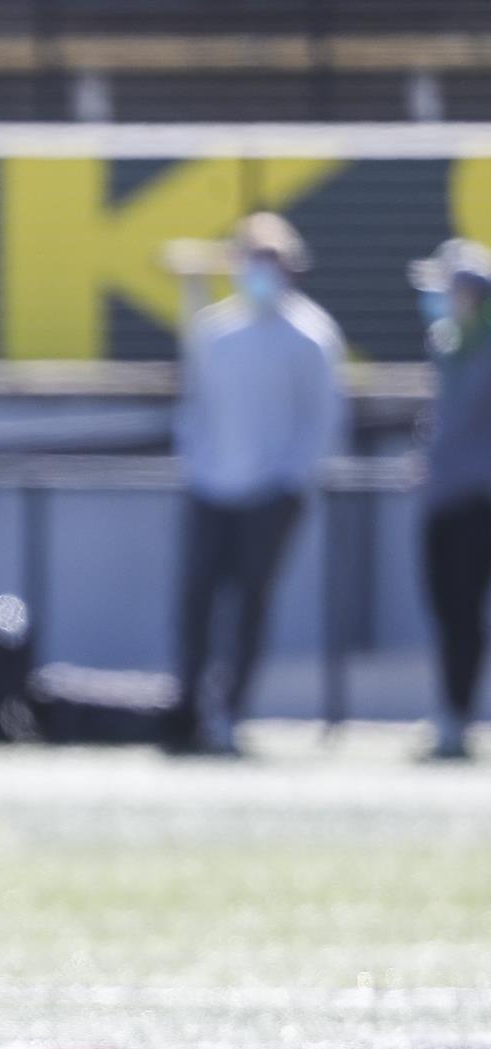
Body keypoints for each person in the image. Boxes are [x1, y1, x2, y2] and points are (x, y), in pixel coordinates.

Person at [168, 212, 345, 754]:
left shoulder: (310, 335)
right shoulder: (215, 329)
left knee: (249, 604)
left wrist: (290, 480)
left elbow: (323, 419)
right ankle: (188, 714)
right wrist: (198, 465)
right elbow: (195, 405)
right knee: (195, 600)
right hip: (211, 488)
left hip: (273, 494)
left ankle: (230, 711)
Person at [407, 238, 491, 760]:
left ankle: (456, 716)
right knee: (444, 610)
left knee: (464, 612)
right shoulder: (446, 345)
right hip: (441, 497)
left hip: (478, 501)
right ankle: (448, 710)